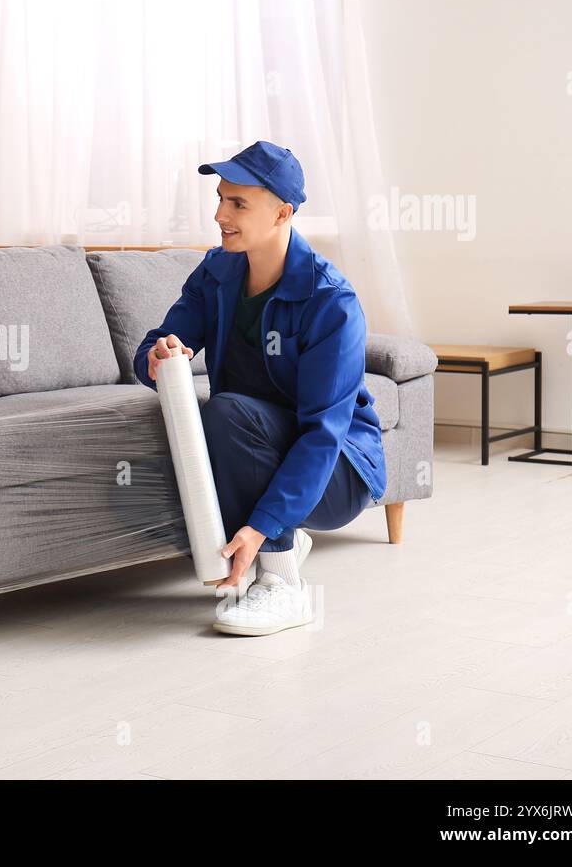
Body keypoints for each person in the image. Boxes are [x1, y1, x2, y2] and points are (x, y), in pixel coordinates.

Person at [135, 141, 387, 636]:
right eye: (220, 199)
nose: (219, 214)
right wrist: (161, 356)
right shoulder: (218, 271)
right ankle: (283, 539)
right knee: (226, 412)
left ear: (282, 213)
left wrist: (258, 528)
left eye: (237, 204)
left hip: (339, 470)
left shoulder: (330, 302)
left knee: (228, 412)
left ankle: (281, 584)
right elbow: (156, 345)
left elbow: (321, 435)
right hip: (262, 442)